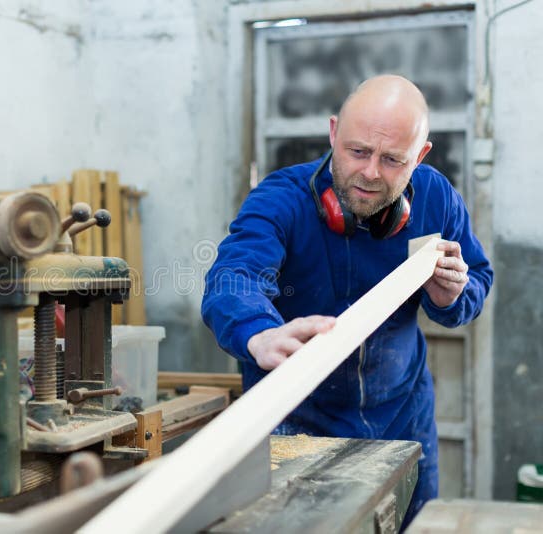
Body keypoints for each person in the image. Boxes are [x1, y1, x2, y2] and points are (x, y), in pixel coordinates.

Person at [201, 74, 492, 526]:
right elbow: (233, 276)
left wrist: (453, 294)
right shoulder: (281, 199)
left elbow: (478, 276)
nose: (371, 173)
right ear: (334, 133)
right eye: (358, 152)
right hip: (295, 419)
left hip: (402, 417)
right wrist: (258, 333)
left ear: (420, 156)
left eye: (393, 159)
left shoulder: (436, 198)